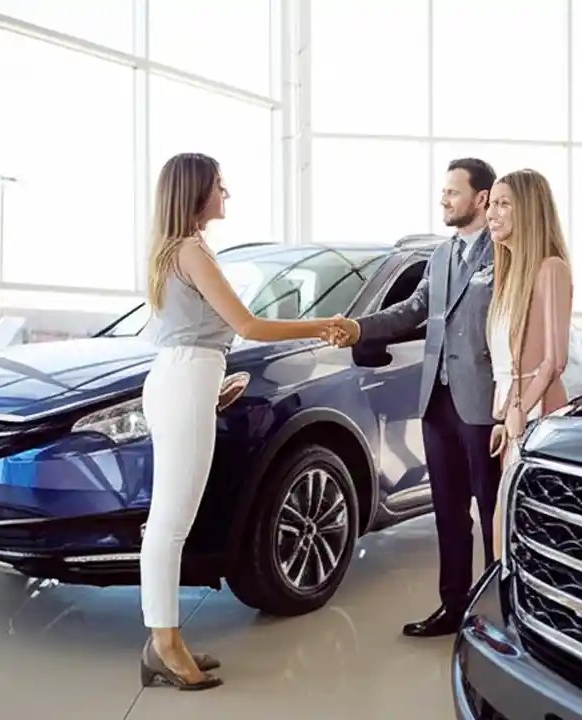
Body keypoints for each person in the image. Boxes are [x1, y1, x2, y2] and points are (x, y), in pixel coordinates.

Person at [139, 153, 340, 689]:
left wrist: (208, 389)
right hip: (185, 380)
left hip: (184, 379)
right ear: (196, 192)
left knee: (169, 520)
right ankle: (164, 646)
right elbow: (247, 326)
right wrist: (323, 325)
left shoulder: (176, 248)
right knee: (170, 523)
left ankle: (166, 639)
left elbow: (194, 336)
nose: (226, 193)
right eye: (219, 185)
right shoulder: (190, 250)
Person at [324, 157, 500, 638]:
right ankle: (453, 606)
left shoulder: (504, 253)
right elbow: (413, 309)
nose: (444, 199)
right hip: (437, 402)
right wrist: (358, 327)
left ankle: (498, 614)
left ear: (481, 198)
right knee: (449, 512)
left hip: (484, 402)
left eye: (453, 192)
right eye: (444, 192)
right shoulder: (441, 256)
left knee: (492, 513)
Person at [484, 169, 574, 559]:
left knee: (523, 524)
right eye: (491, 204)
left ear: (530, 211)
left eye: (503, 204)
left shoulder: (551, 269)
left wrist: (519, 410)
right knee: (505, 523)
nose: (492, 213)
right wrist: (505, 415)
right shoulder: (509, 279)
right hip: (515, 419)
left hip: (540, 416)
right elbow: (510, 364)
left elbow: (554, 360)